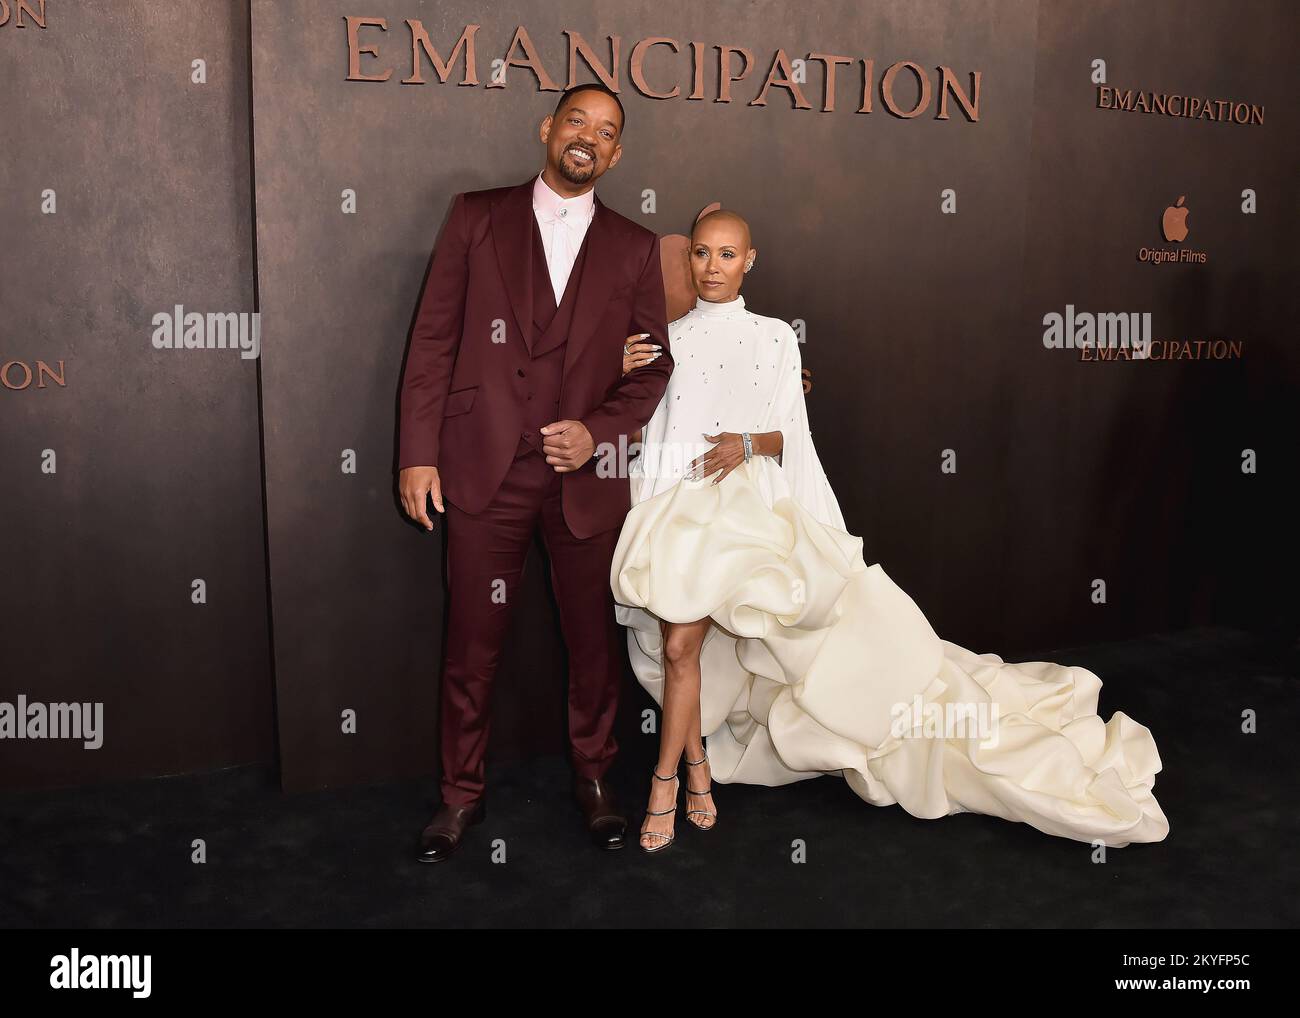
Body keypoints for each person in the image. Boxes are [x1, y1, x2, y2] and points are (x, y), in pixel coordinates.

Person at [611, 209, 1170, 852]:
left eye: (727, 255)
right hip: (683, 513)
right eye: (703, 254)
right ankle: (688, 775)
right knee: (683, 648)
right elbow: (646, 434)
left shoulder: (773, 338)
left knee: (715, 647)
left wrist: (744, 443)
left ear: (750, 260)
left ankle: (675, 780)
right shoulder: (664, 339)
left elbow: (789, 435)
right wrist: (622, 380)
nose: (712, 267)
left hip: (750, 513)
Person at [397, 82, 673, 862]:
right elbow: (432, 343)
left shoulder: (635, 246)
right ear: (548, 129)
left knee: (593, 645)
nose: (589, 136)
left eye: (607, 130)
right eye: (577, 120)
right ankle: (460, 796)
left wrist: (598, 432)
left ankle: (594, 781)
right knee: (471, 642)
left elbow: (652, 368)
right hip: (482, 468)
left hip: (585, 483)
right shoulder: (475, 217)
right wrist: (417, 452)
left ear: (617, 154)